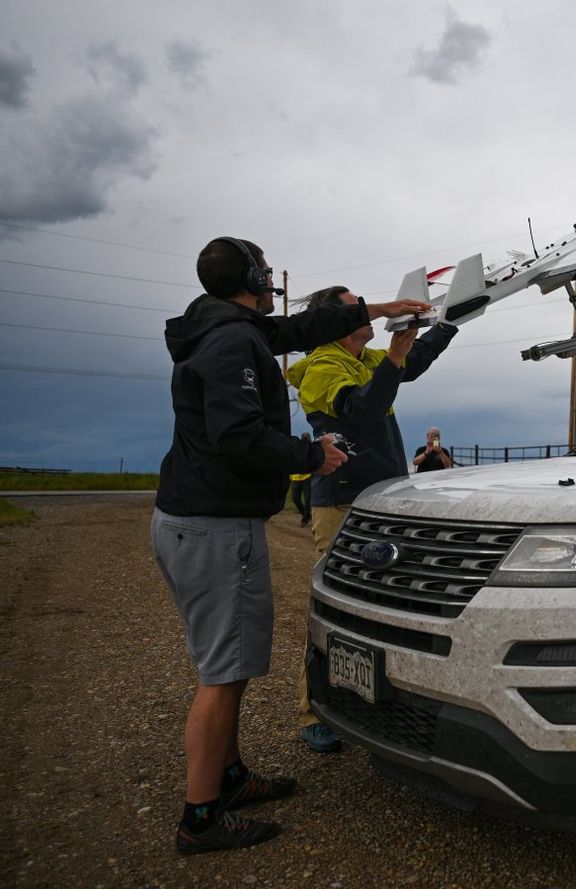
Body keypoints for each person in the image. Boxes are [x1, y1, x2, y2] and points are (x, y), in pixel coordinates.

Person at [151, 236, 430, 854]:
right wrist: (312, 454)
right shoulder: (231, 341)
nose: (273, 278)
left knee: (228, 664)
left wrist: (379, 312)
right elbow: (236, 434)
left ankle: (229, 776)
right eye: (266, 270)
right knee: (223, 673)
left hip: (200, 518)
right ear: (253, 274)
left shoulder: (227, 328)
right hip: (214, 523)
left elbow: (300, 325)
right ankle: (200, 819)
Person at [286, 285, 457, 752]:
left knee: (383, 604)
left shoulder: (362, 360)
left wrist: (448, 325)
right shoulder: (323, 366)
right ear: (332, 321)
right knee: (336, 604)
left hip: (379, 499)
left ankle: (379, 696)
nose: (365, 311)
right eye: (352, 307)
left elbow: (410, 364)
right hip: (340, 501)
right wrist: (396, 357)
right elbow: (361, 409)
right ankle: (310, 709)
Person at [288, 432, 313, 525]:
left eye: (307, 438)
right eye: (304, 438)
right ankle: (306, 515)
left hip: (308, 477)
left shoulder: (312, 449)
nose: (306, 439)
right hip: (295, 477)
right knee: (295, 498)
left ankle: (305, 519)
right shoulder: (297, 448)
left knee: (308, 499)